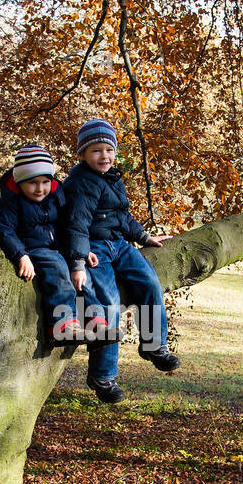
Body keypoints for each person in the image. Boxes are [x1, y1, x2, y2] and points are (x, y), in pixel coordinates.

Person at [63, 119, 179, 404]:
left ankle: (154, 345)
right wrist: (77, 262)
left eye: (108, 150)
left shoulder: (112, 178)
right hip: (94, 250)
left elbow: (122, 216)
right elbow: (75, 225)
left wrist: (143, 236)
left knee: (150, 283)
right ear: (82, 155)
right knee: (108, 304)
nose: (104, 156)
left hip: (120, 245)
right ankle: (103, 375)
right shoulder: (80, 184)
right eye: (95, 151)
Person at [0, 144, 107, 345]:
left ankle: (95, 321)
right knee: (58, 268)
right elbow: (2, 229)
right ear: (19, 182)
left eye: (45, 182)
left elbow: (69, 226)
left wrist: (80, 251)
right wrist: (21, 255)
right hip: (33, 248)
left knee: (81, 271)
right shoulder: (11, 202)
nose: (40, 189)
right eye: (32, 182)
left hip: (58, 247)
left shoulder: (56, 198)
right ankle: (62, 326)